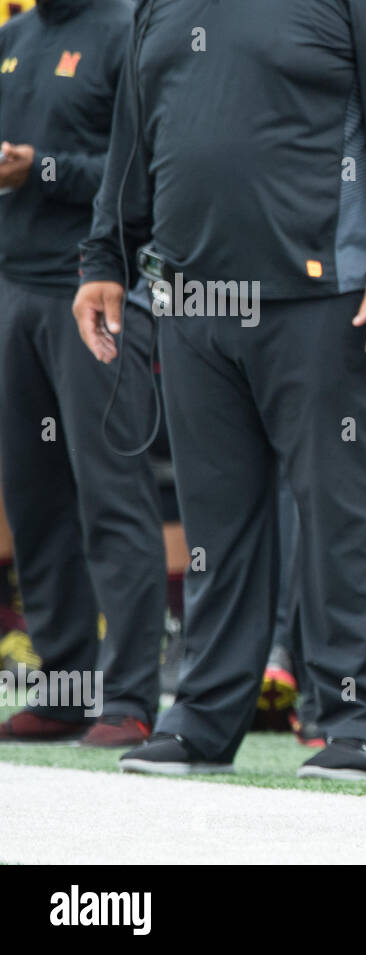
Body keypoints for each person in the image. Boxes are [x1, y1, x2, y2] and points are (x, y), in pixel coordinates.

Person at [73, 0, 366, 779]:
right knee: (216, 523)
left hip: (331, 296)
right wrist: (105, 256)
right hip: (191, 298)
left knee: (340, 512)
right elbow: (134, 135)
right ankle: (204, 717)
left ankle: (360, 717)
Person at [0, 0, 166, 747]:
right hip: (12, 291)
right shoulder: (12, 37)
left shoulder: (129, 29)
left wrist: (45, 169)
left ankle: (129, 692)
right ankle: (66, 686)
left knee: (111, 492)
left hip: (96, 290)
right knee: (33, 496)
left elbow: (146, 168)